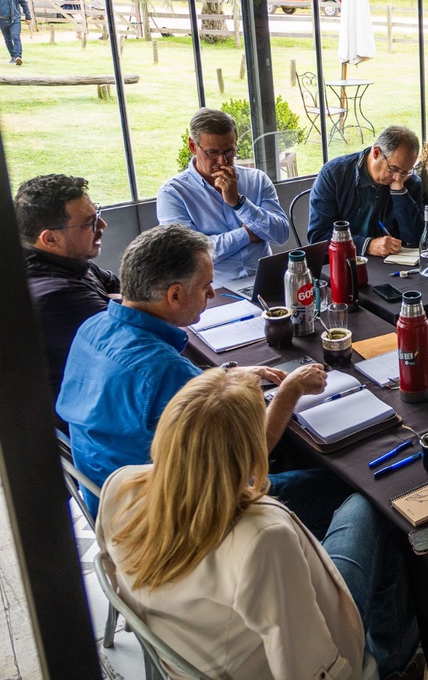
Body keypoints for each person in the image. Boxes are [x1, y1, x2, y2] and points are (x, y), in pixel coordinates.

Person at [97, 369, 419, 680]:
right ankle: (393, 663)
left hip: (192, 652)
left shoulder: (120, 486)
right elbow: (307, 670)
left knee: (337, 489)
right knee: (372, 501)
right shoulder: (263, 538)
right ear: (249, 453)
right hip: (293, 664)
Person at [55, 224, 345, 527]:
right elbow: (245, 464)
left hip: (107, 502)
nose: (212, 292)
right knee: (343, 484)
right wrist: (292, 389)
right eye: (206, 285)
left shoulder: (92, 327)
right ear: (175, 295)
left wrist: (220, 376)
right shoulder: (166, 372)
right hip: (166, 523)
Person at [18, 175, 119, 402]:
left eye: (97, 214)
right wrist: (119, 301)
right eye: (89, 223)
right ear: (50, 239)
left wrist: (117, 300)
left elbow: (130, 291)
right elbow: (139, 330)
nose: (102, 225)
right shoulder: (56, 296)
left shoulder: (68, 261)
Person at [157, 109, 289, 283]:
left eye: (229, 151)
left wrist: (239, 203)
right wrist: (245, 234)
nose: (223, 161)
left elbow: (281, 234)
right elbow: (187, 257)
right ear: (192, 146)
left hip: (265, 281)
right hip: (213, 290)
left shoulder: (257, 179)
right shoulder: (173, 193)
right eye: (212, 153)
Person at [308, 126, 424, 255]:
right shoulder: (334, 174)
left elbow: (415, 239)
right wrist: (367, 245)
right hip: (343, 260)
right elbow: (318, 237)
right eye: (393, 169)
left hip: (391, 262)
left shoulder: (409, 181)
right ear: (376, 153)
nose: (397, 177)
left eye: (405, 171)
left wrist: (400, 193)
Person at [0, 0, 32, 65]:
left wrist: (28, 17)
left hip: (14, 19)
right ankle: (13, 56)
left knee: (15, 37)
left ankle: (18, 56)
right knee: (7, 39)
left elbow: (24, 3)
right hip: (2, 20)